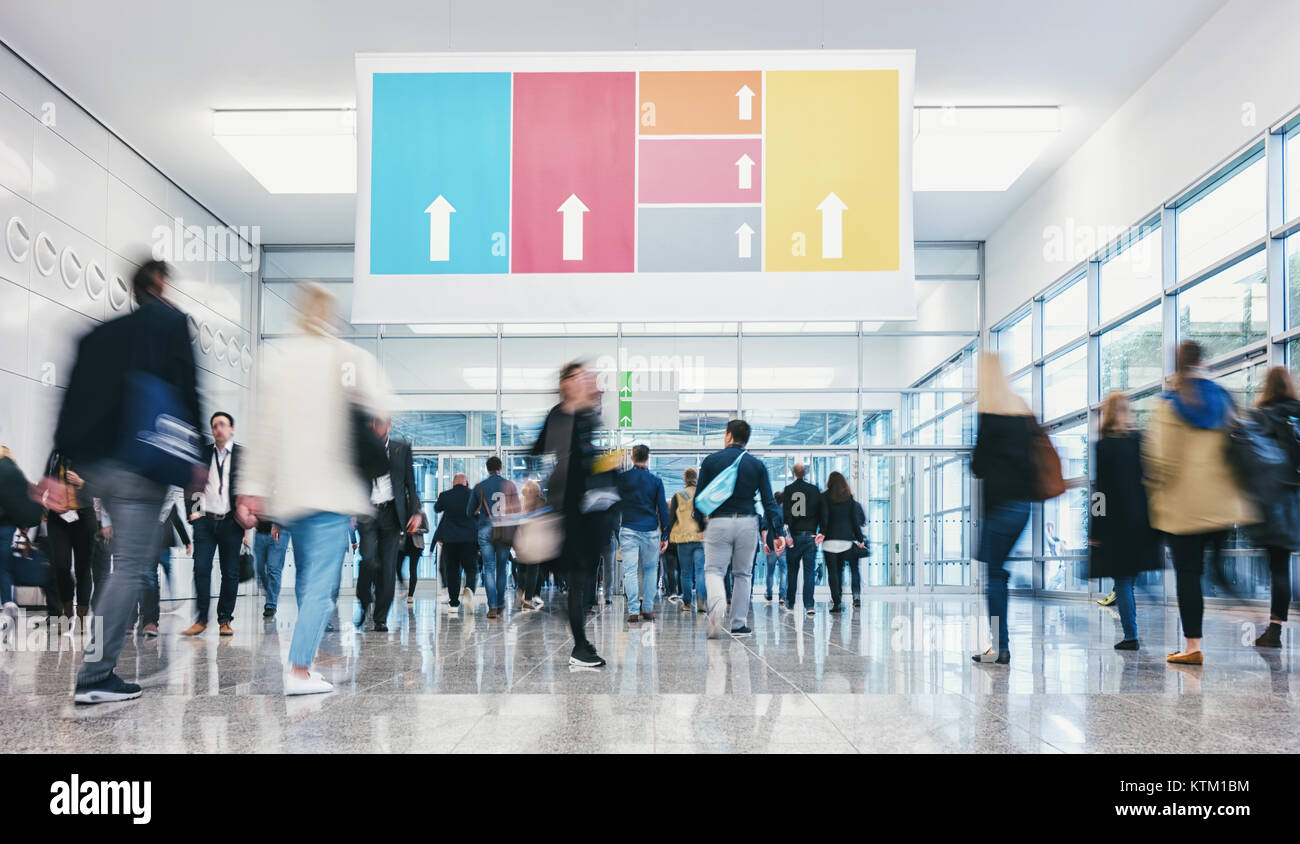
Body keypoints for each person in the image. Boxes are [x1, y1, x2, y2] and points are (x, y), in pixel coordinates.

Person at [54, 260, 203, 704]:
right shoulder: (170, 322)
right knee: (131, 570)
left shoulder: (99, 335)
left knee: (123, 569)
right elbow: (188, 390)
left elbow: (70, 397)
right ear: (159, 283)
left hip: (96, 467)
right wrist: (195, 456)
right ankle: (96, 674)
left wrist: (54, 468)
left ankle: (98, 669)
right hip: (140, 464)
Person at [237, 281, 391, 695]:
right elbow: (382, 406)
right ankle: (300, 670)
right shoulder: (348, 358)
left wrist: (250, 489)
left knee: (307, 580)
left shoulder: (276, 362)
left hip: (291, 494)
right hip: (331, 490)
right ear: (330, 315)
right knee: (320, 584)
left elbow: (263, 432)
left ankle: (303, 665)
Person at [1145, 340, 1256, 666]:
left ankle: (1193, 646)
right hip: (1223, 507)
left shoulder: (1168, 405)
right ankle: (1247, 605)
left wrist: (1154, 493)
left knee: (1189, 575)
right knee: (1219, 570)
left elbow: (1161, 462)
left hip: (1184, 510)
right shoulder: (1224, 399)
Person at [530, 361, 607, 668]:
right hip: (568, 511)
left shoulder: (586, 415)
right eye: (581, 375)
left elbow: (588, 459)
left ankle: (581, 643)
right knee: (577, 579)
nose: (587, 379)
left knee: (584, 577)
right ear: (566, 382)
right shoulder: (560, 415)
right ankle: (580, 646)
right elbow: (535, 451)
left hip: (588, 510)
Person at [970, 352, 1035, 665]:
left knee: (994, 576)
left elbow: (978, 465)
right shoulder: (1020, 409)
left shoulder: (989, 413)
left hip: (998, 508)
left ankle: (1000, 646)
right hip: (1023, 507)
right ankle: (1000, 644)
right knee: (999, 572)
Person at [694, 419, 784, 639]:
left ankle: (716, 613)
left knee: (714, 570)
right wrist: (778, 532)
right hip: (747, 522)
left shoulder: (711, 461)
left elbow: (699, 499)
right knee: (743, 574)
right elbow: (769, 502)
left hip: (718, 521)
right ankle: (738, 624)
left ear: (728, 435)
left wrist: (700, 524)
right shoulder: (756, 465)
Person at [1088, 392, 1159, 650]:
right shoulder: (1140, 439)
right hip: (1141, 521)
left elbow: (1101, 491)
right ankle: (1147, 606)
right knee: (1132, 576)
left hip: (1117, 526)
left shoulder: (1104, 444)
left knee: (1123, 580)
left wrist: (1095, 528)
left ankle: (1131, 636)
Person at [1244, 366, 1300, 649]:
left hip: (1273, 504)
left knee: (1278, 567)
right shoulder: (1298, 412)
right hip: (1296, 498)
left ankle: (1274, 630)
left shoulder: (1260, 416)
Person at [181, 412, 247, 637]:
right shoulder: (203, 454)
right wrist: (194, 513)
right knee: (201, 569)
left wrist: (247, 520)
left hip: (231, 521)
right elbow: (191, 483)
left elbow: (249, 488)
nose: (218, 429)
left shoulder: (242, 455)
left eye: (222, 424)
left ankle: (225, 620)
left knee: (230, 572)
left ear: (232, 429)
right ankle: (200, 619)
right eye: (214, 426)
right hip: (205, 521)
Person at [354, 413, 421, 632]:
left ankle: (381, 617)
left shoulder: (401, 449)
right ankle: (364, 603)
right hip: (368, 512)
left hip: (392, 514)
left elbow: (411, 483)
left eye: (381, 422)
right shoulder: (362, 448)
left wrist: (416, 512)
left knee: (387, 567)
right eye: (373, 422)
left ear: (389, 425)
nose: (376, 426)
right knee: (369, 559)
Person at [0, 446, 63, 623]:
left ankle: (8, 602)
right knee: (3, 564)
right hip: (7, 525)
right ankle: (8, 602)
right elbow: (19, 500)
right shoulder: (10, 469)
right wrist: (23, 524)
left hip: (6, 524)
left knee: (3, 565)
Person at [43, 450, 100, 620]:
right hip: (57, 517)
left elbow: (101, 488)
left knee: (83, 568)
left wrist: (81, 482)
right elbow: (46, 481)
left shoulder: (91, 455)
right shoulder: (54, 455)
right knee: (61, 566)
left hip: (83, 517)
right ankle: (66, 614)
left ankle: (82, 615)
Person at [617, 444, 669, 623]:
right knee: (650, 570)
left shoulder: (622, 479)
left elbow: (616, 505)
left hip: (629, 528)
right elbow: (663, 509)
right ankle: (647, 609)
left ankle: (633, 610)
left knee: (630, 571)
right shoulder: (656, 481)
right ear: (648, 458)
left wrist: (618, 530)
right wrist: (666, 535)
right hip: (650, 530)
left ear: (632, 458)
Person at [468, 455, 517, 615]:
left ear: (487, 469)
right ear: (500, 468)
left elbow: (469, 512)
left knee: (488, 568)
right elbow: (517, 512)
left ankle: (492, 606)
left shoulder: (480, 487)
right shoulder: (510, 485)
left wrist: (480, 514)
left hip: (485, 529)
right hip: (504, 529)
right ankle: (501, 603)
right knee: (502, 568)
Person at [138, 492, 190, 636]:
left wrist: (186, 541)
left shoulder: (167, 501)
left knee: (152, 573)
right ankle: (151, 607)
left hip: (162, 541)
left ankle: (156, 609)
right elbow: (178, 521)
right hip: (157, 541)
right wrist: (186, 541)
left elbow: (177, 521)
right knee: (150, 574)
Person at [782, 462, 824, 616]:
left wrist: (787, 536)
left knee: (792, 571)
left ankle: (790, 602)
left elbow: (785, 517)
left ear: (794, 473)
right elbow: (822, 512)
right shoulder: (814, 490)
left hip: (794, 537)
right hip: (810, 536)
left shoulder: (788, 490)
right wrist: (822, 531)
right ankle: (809, 605)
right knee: (809, 572)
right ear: (805, 473)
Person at [820, 472, 866, 613]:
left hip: (830, 541)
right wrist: (860, 539)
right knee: (841, 570)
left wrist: (822, 533)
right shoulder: (849, 498)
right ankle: (852, 597)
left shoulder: (825, 497)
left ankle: (837, 602)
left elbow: (824, 517)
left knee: (833, 573)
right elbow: (854, 520)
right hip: (845, 541)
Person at [435, 473, 480, 616]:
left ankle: (453, 603)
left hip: (450, 540)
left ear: (453, 483)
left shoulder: (445, 495)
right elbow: (479, 513)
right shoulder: (473, 494)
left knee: (452, 571)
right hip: (469, 539)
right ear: (466, 482)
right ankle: (469, 589)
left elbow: (437, 508)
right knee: (471, 569)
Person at [668, 467, 706, 612]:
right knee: (700, 570)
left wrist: (668, 535)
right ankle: (702, 600)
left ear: (684, 479)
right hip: (700, 538)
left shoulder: (678, 495)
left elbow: (672, 518)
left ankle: (687, 603)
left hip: (683, 538)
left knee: (685, 572)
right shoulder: (702, 493)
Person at [515, 479, 546, 609]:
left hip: (521, 537)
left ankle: (520, 590)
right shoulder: (542, 502)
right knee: (533, 571)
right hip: (536, 539)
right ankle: (527, 600)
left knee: (522, 568)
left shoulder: (519, 501)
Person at [252, 517, 290, 620]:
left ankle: (271, 605)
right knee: (259, 568)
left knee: (274, 569)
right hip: (260, 531)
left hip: (281, 531)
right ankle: (270, 592)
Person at [763, 491, 789, 604]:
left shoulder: (769, 512)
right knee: (784, 570)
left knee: (770, 571)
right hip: (783, 544)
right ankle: (782, 595)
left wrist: (764, 543)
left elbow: (764, 528)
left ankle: (769, 594)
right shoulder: (786, 512)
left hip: (771, 543)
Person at [401, 509, 428, 603]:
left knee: (412, 570)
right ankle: (403, 588)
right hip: (404, 543)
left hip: (416, 545)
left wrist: (416, 530)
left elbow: (427, 529)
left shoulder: (421, 513)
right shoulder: (403, 512)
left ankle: (410, 595)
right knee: (397, 566)